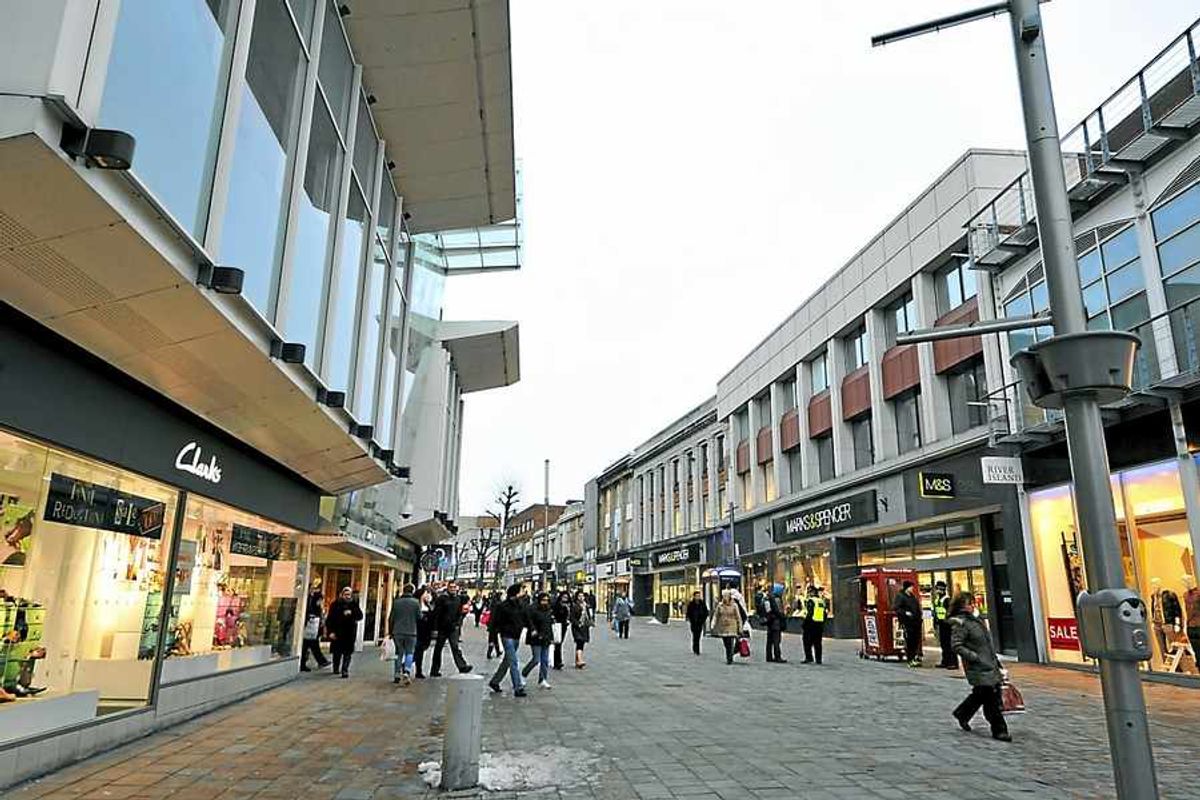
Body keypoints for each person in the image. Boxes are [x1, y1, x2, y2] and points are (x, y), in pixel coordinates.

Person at [949, 591, 1011, 742]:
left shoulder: (977, 621)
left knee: (980, 694)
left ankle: (962, 713)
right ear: (962, 606)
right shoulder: (961, 623)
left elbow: (987, 644)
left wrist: (995, 661)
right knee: (991, 698)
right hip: (978, 666)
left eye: (972, 603)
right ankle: (999, 729)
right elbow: (956, 645)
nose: (972, 606)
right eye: (969, 603)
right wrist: (973, 657)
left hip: (989, 663)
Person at [488, 584, 529, 696]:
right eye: (522, 590)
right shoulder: (502, 606)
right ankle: (518, 687)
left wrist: (533, 629)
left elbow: (527, 619)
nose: (524, 592)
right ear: (515, 592)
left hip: (516, 636)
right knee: (513, 661)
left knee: (507, 661)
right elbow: (494, 623)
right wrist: (492, 638)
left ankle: (494, 681)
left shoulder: (521, 605)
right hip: (507, 636)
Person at [429, 582, 473, 677]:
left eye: (454, 587)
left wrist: (458, 623)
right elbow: (437, 614)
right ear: (448, 588)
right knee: (438, 649)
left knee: (455, 647)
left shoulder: (458, 599)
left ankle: (462, 666)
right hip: (442, 628)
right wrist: (435, 628)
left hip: (453, 628)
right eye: (451, 587)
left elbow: (459, 613)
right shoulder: (442, 599)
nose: (453, 589)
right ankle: (434, 670)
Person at [325, 586, 363, 678]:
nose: (347, 596)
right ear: (342, 594)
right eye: (345, 594)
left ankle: (345, 670)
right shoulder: (335, 604)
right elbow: (330, 619)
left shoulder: (354, 604)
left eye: (349, 595)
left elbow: (360, 616)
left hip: (349, 633)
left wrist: (352, 613)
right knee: (337, 652)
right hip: (337, 631)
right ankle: (336, 668)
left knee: (347, 653)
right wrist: (330, 632)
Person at [521, 592, 555, 689]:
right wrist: (533, 630)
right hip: (535, 638)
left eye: (547, 600)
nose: (545, 602)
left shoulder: (548, 610)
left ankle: (543, 679)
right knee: (536, 659)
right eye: (543, 600)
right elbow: (529, 622)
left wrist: (551, 638)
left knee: (544, 660)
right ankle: (524, 674)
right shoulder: (532, 609)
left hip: (546, 637)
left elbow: (549, 625)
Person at [388, 584, 420, 685]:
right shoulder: (416, 603)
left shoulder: (396, 602)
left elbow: (391, 618)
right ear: (412, 591)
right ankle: (406, 671)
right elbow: (419, 617)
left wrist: (390, 632)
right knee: (409, 652)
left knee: (398, 653)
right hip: (411, 632)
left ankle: (397, 675)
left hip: (397, 632)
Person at [300, 583, 330, 671]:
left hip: (313, 629)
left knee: (311, 646)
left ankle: (321, 661)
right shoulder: (310, 602)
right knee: (309, 646)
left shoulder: (313, 603)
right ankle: (319, 661)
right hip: (310, 628)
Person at [894, 580, 923, 667]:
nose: (912, 588)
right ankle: (910, 659)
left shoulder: (912, 597)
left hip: (916, 621)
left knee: (916, 640)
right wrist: (905, 613)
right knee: (910, 641)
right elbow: (897, 608)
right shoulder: (901, 596)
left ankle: (914, 657)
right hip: (907, 622)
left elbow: (916, 607)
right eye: (911, 587)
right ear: (907, 588)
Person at [713, 589, 743, 665]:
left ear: (729, 597)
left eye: (726, 596)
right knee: (726, 643)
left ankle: (729, 658)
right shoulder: (720, 605)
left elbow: (738, 617)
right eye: (724, 596)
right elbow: (716, 615)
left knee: (730, 642)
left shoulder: (734, 605)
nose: (725, 598)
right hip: (723, 627)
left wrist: (740, 627)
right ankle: (729, 654)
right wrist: (713, 624)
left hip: (732, 626)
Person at [932, 581, 957, 669]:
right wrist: (935, 623)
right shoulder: (937, 600)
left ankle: (953, 662)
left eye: (938, 589)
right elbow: (935, 612)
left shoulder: (947, 599)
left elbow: (950, 612)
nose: (937, 591)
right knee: (943, 644)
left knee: (949, 644)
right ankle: (945, 661)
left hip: (947, 625)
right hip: (941, 624)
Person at [801, 585, 827, 665]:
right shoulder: (821, 601)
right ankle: (818, 659)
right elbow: (824, 614)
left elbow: (810, 613)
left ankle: (809, 658)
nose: (808, 593)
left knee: (807, 642)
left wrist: (804, 624)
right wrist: (823, 623)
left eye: (809, 591)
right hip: (819, 624)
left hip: (811, 624)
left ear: (812, 592)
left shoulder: (811, 601)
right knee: (818, 643)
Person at [570, 590, 594, 668]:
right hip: (577, 627)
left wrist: (590, 622)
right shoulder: (574, 606)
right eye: (579, 596)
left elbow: (589, 615)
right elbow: (572, 617)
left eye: (582, 596)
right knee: (579, 642)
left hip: (584, 627)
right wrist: (577, 624)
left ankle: (577, 661)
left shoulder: (586, 605)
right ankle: (580, 660)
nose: (581, 597)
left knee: (581, 643)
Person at [414, 587, 434, 679]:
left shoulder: (428, 605)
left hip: (426, 632)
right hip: (418, 631)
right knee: (418, 651)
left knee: (421, 651)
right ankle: (415, 669)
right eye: (426, 593)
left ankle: (415, 668)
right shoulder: (416, 605)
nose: (428, 595)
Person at [764, 584, 787, 663]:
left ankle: (769, 656)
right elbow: (778, 611)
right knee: (776, 640)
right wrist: (783, 617)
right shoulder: (776, 599)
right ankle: (778, 656)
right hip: (776, 622)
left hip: (770, 621)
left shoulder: (769, 598)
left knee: (769, 640)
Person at [551, 591, 571, 669]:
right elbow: (555, 614)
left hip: (564, 626)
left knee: (560, 643)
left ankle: (557, 661)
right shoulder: (557, 605)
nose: (565, 599)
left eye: (566, 597)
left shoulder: (568, 605)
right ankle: (557, 662)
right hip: (558, 625)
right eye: (563, 597)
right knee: (558, 643)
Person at [685, 591, 708, 655]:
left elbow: (706, 612)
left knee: (698, 636)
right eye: (697, 596)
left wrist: (703, 619)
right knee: (695, 636)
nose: (698, 597)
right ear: (694, 596)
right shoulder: (691, 604)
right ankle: (695, 648)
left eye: (699, 596)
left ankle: (697, 648)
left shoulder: (702, 603)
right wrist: (689, 619)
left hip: (700, 622)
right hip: (693, 623)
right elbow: (688, 612)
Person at [486, 590, 502, 659]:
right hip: (494, 624)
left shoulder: (493, 603)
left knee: (494, 639)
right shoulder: (498, 604)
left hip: (492, 624)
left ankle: (497, 651)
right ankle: (489, 653)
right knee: (492, 639)